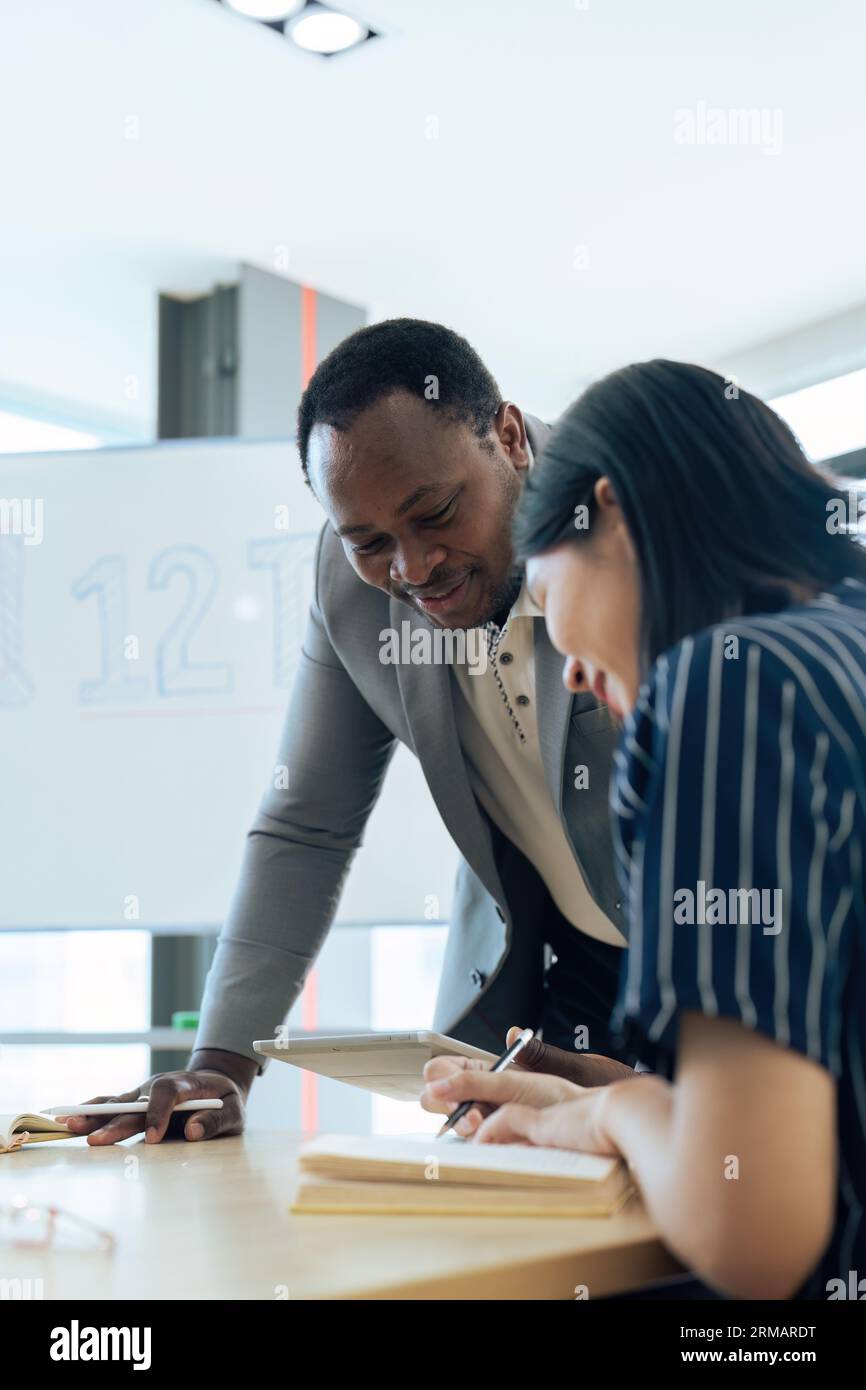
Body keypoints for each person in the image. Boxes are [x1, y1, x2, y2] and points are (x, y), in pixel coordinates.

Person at [68, 318, 635, 1150]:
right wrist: (220, 1065)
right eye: (370, 541)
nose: (413, 569)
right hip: (568, 982)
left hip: (732, 966)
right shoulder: (350, 585)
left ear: (508, 438)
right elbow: (307, 823)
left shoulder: (623, 514)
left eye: (436, 513)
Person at [421, 359, 866, 1300]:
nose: (570, 674)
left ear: (612, 513)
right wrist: (619, 1090)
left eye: (548, 594)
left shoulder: (725, 685)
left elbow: (751, 1229)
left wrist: (614, 1118)